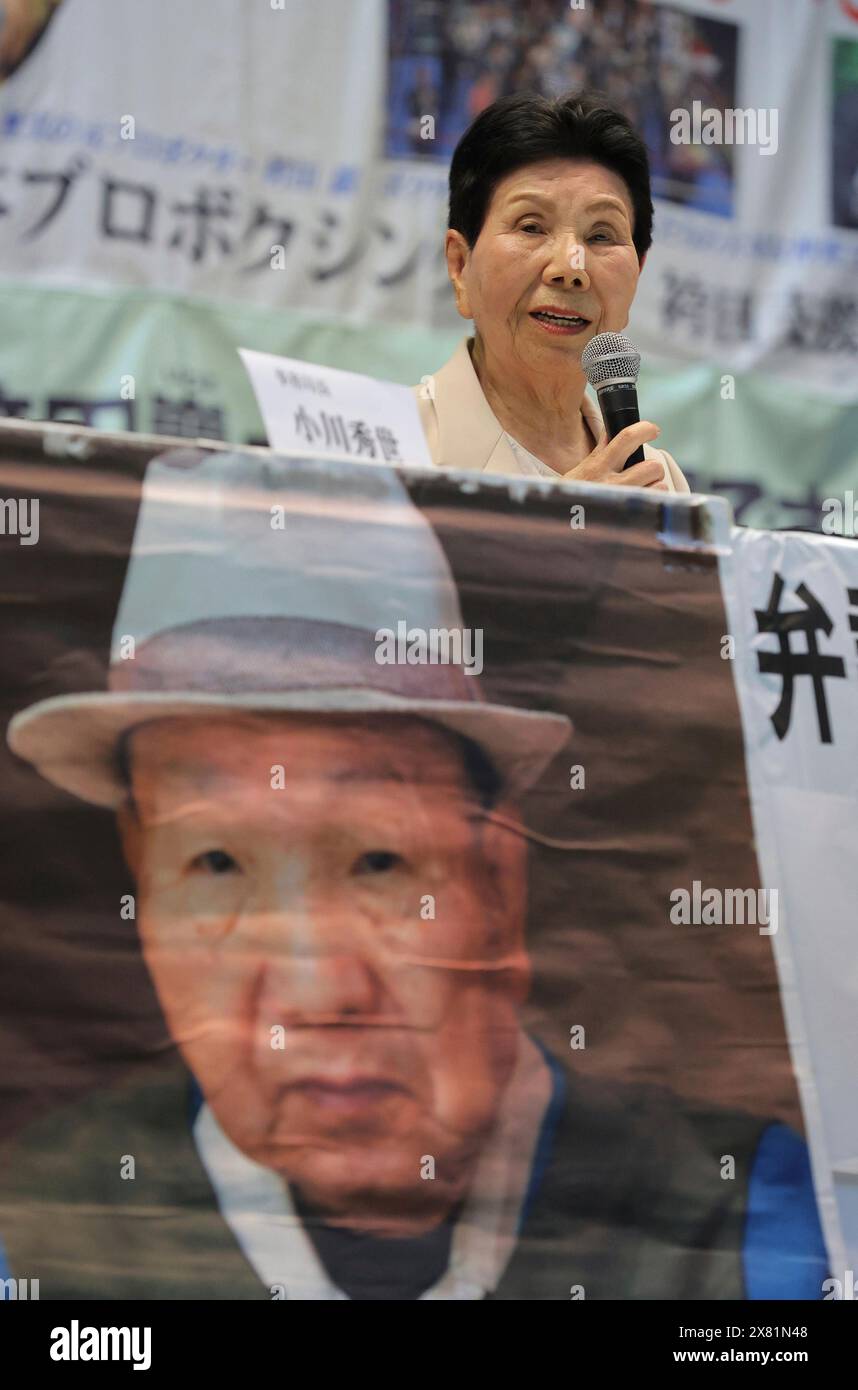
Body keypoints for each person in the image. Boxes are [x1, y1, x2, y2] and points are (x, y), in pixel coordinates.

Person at [0, 451, 826, 1299]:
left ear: (499, 884)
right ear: (144, 890)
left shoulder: (745, 1229)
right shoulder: (36, 1234)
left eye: (380, 862)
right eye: (215, 863)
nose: (320, 993)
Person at [413, 90, 690, 492]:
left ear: (638, 273)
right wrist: (561, 522)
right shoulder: (392, 444)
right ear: (459, 265)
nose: (570, 269)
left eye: (600, 235)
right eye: (531, 227)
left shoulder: (661, 482)